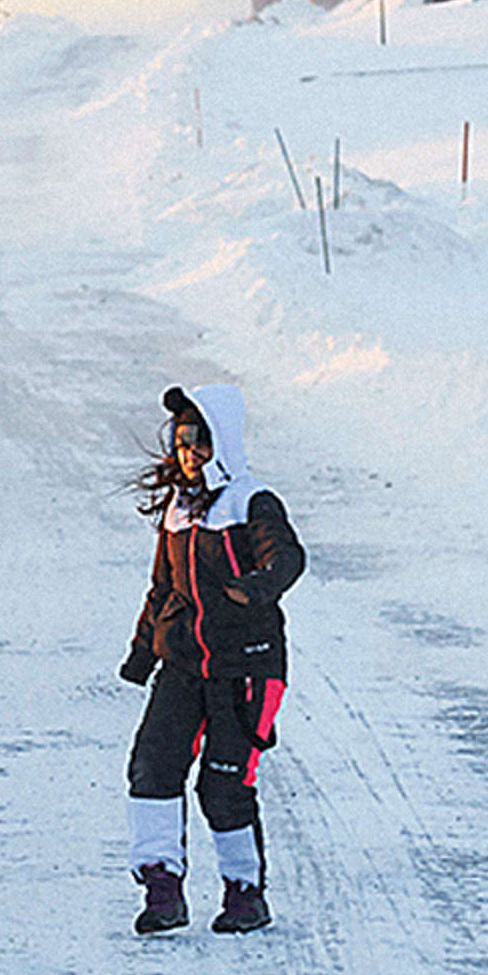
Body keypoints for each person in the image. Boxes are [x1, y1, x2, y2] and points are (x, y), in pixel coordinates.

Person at [118, 381, 304, 935]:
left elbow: (287, 556)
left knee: (223, 785)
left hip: (245, 669)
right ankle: (162, 891)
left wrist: (258, 586)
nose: (189, 455)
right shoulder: (178, 510)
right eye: (181, 444)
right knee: (152, 766)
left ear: (222, 441)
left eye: (199, 443)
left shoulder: (252, 501)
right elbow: (162, 588)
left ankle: (245, 893)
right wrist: (141, 653)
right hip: (183, 667)